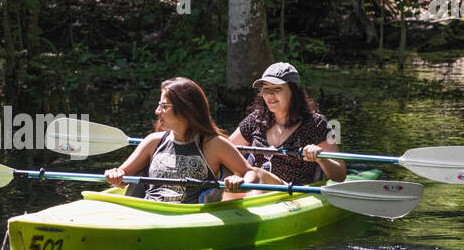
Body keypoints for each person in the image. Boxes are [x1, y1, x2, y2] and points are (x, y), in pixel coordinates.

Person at [105, 77, 253, 204]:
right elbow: (123, 175)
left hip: (187, 217)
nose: (157, 111)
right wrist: (115, 175)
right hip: (148, 211)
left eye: (164, 106)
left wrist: (239, 180)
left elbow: (250, 172)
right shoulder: (153, 142)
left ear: (185, 109)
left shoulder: (214, 144)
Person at [225, 62, 346, 194]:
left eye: (277, 89)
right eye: (266, 89)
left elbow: (340, 175)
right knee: (241, 181)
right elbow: (225, 150)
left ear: (294, 92)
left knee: (257, 174)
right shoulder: (254, 120)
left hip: (294, 194)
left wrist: (321, 158)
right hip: (255, 189)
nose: (270, 95)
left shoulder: (316, 123)